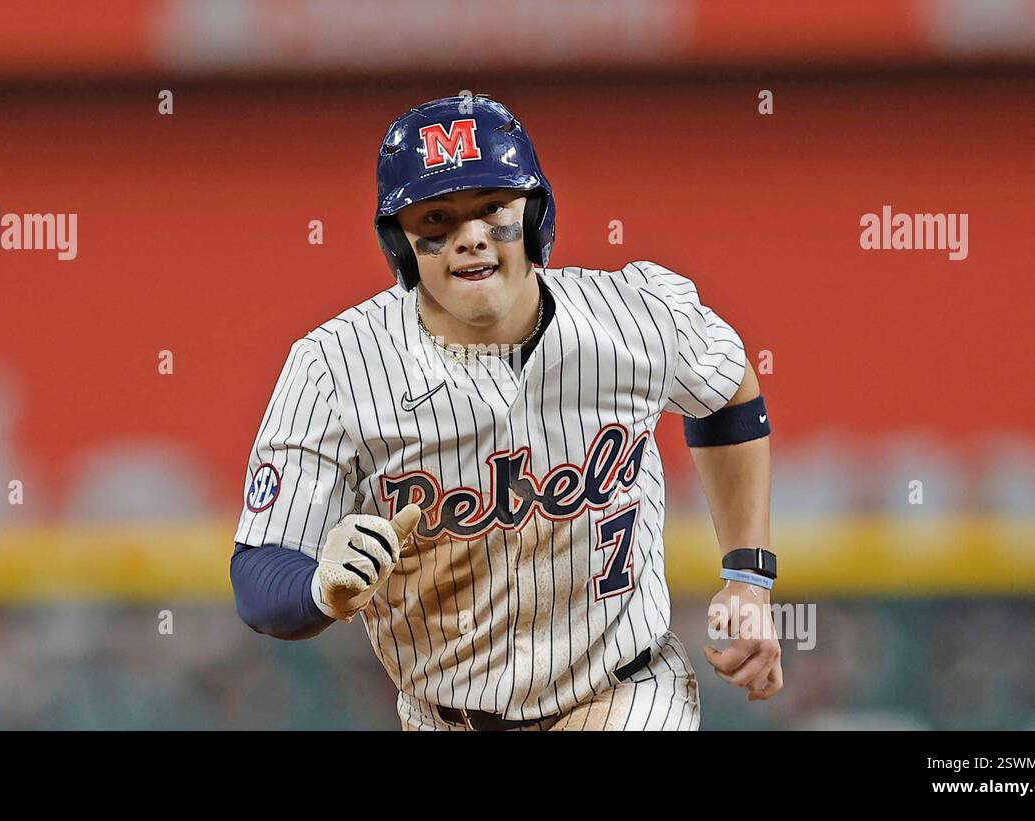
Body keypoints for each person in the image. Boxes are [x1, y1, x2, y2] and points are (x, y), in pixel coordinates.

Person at [230, 95, 781, 730]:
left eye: (492, 209)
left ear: (536, 215)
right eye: (437, 218)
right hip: (445, 714)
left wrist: (748, 575)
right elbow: (257, 576)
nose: (470, 238)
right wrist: (318, 590)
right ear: (402, 245)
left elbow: (728, 393)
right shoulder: (334, 366)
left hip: (626, 690)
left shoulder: (633, 316)